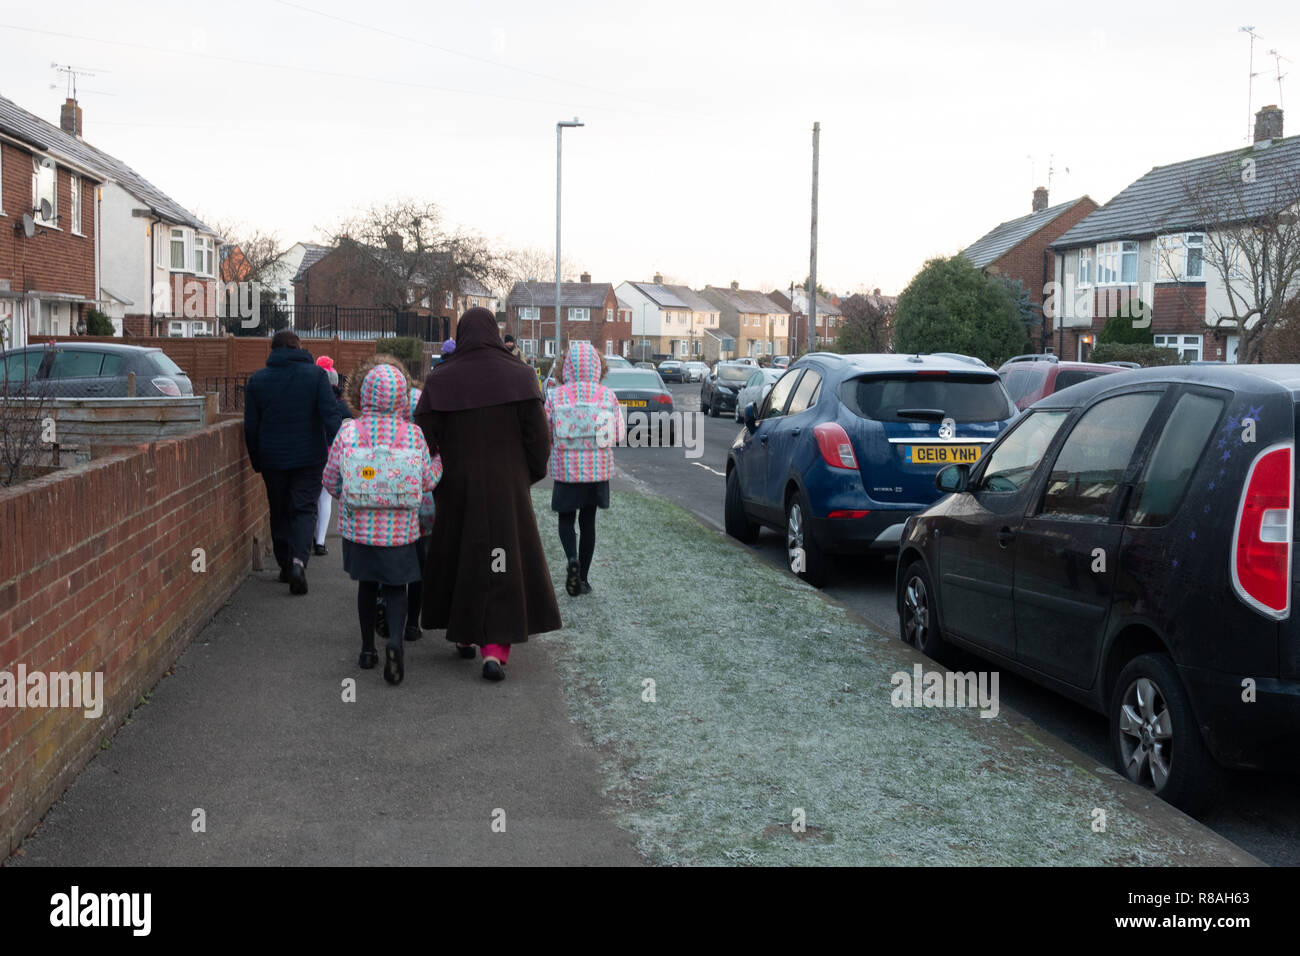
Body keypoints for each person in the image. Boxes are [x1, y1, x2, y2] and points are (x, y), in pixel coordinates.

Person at [414, 307, 561, 682]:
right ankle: (494, 648)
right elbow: (538, 440)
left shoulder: (441, 380)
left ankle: (464, 634)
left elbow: (423, 439)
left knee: (463, 558)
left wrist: (438, 474)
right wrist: (524, 476)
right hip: (506, 488)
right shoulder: (522, 376)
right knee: (501, 559)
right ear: (495, 333)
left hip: (457, 488)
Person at [322, 363, 441, 684]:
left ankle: (366, 650)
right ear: (401, 397)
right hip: (400, 531)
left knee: (367, 586)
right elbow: (427, 481)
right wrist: (440, 461)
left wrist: (350, 498)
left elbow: (331, 480)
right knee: (395, 588)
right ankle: (394, 644)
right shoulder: (412, 434)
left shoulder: (349, 430)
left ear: (366, 394)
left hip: (360, 529)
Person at [243, 330, 342, 595]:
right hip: (310, 456)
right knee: (304, 509)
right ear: (299, 348)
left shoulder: (258, 380)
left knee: (279, 511)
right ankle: (299, 560)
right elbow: (330, 415)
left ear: (273, 350)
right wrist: (342, 450)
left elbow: (250, 426)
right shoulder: (316, 376)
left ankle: (286, 566)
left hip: (272, 458)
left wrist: (256, 459)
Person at [544, 343, 625, 596]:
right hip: (597, 472)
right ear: (598, 365)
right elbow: (619, 434)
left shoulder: (556, 396)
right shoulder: (607, 396)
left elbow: (546, 430)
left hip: (566, 470)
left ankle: (571, 558)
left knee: (566, 519)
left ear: (565, 365)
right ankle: (584, 580)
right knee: (588, 522)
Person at [313, 355, 353, 556]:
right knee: (325, 499)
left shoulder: (310, 401)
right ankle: (320, 542)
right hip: (332, 455)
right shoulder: (343, 407)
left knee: (308, 498)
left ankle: (308, 536)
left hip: (311, 452)